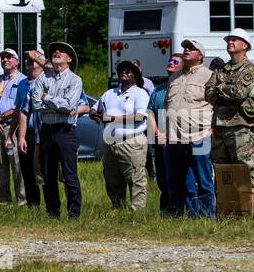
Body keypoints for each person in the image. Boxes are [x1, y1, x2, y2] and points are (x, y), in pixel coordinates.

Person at [163, 39, 216, 216]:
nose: (186, 50)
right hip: (174, 137)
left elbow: (218, 105)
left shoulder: (210, 76)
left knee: (204, 180)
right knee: (175, 181)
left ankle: (206, 215)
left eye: (191, 48)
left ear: (200, 56)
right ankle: (176, 215)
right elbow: (166, 105)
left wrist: (214, 128)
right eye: (185, 47)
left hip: (200, 136)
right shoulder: (174, 77)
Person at [32, 41, 84, 219]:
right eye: (54, 51)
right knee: (48, 174)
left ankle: (74, 214)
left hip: (66, 131)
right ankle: (52, 212)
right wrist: (57, 105)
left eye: (62, 51)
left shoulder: (75, 80)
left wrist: (47, 97)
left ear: (69, 59)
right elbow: (36, 104)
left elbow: (70, 104)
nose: (57, 52)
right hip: (47, 129)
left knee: (70, 175)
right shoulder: (43, 78)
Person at [207, 28, 254, 182]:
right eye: (228, 40)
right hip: (220, 128)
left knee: (244, 171)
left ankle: (249, 205)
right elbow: (208, 93)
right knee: (222, 173)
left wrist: (220, 88)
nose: (230, 42)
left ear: (245, 45)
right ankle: (226, 205)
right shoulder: (221, 69)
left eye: (234, 39)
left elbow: (239, 92)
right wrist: (225, 91)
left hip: (241, 128)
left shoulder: (250, 70)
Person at [93, 59, 150, 210]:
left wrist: (113, 119)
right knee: (112, 180)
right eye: (121, 70)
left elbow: (140, 116)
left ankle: (137, 213)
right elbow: (95, 107)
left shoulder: (140, 93)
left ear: (135, 77)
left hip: (131, 142)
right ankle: (118, 209)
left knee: (135, 179)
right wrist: (94, 114)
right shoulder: (109, 93)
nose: (124, 72)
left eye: (128, 71)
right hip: (110, 142)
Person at [0, 49, 29, 206]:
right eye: (3, 57)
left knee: (17, 166)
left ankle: (23, 201)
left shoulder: (23, 81)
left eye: (9, 57)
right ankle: (3, 201)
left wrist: (1, 117)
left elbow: (20, 107)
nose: (5, 60)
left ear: (17, 61)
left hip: (14, 128)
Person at [146, 54, 186, 213]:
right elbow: (150, 112)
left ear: (182, 66)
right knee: (162, 177)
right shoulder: (159, 89)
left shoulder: (183, 87)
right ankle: (166, 210)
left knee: (178, 176)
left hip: (178, 139)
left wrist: (169, 136)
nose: (170, 62)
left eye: (175, 61)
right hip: (159, 138)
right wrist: (157, 134)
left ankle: (181, 209)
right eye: (169, 60)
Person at [15, 50, 46, 208]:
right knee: (27, 172)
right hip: (27, 133)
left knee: (44, 171)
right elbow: (19, 111)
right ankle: (33, 206)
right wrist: (16, 136)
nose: (30, 61)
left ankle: (51, 207)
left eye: (34, 59)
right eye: (28, 59)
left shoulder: (48, 80)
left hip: (43, 133)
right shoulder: (22, 84)